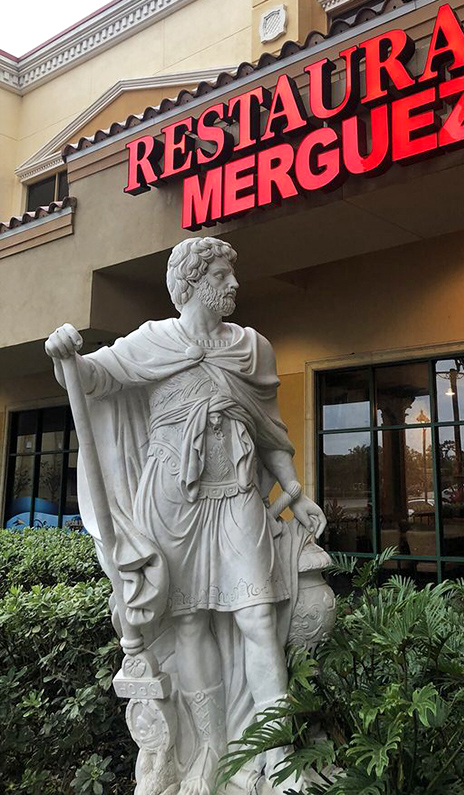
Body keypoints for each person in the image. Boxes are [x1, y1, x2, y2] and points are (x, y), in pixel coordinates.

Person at [46, 237, 327, 795]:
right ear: (191, 284)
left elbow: (270, 431)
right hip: (171, 501)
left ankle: (278, 758)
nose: (234, 285)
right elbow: (91, 378)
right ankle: (209, 752)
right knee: (190, 622)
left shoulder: (252, 348)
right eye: (221, 276)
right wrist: (65, 354)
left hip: (238, 496)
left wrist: (294, 491)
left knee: (257, 618)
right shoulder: (153, 341)